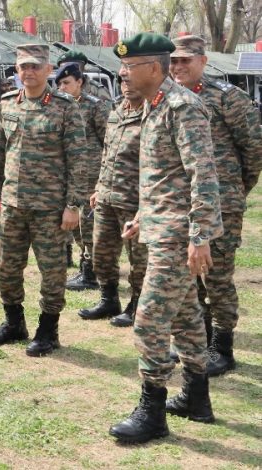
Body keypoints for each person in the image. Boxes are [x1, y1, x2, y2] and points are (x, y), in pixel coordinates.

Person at [109, 32, 223, 444]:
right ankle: (197, 397)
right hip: (161, 226)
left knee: (150, 320)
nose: (123, 73)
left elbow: (203, 175)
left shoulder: (182, 107)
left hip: (179, 236)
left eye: (129, 66)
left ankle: (152, 411)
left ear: (152, 68)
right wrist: (143, 214)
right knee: (186, 317)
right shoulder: (152, 105)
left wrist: (199, 236)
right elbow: (161, 173)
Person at [0, 44, 87, 357]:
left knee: (52, 271)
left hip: (50, 208)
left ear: (49, 69)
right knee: (6, 268)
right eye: (23, 66)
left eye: (35, 66)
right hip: (13, 205)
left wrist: (73, 205)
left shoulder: (65, 106)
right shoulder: (7, 104)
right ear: (17, 69)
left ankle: (47, 329)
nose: (29, 72)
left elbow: (78, 159)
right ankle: (14, 323)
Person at [170, 35, 262, 376]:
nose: (178, 66)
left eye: (185, 60)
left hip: (221, 204)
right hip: (180, 203)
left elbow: (253, 149)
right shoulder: (167, 97)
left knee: (217, 277)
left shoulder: (227, 98)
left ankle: (222, 347)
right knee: (187, 277)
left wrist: (236, 189)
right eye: (174, 61)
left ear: (203, 61)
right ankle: (198, 341)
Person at [79, 80, 148, 327]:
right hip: (107, 196)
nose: (127, 85)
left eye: (132, 80)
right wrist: (99, 186)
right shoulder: (117, 110)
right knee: (101, 253)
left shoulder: (154, 111)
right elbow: (107, 153)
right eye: (122, 81)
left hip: (135, 199)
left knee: (139, 258)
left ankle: (137, 304)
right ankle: (109, 299)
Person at [55, 63, 112, 292]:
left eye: (66, 83)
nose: (62, 87)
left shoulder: (94, 107)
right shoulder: (60, 107)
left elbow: (109, 141)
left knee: (89, 225)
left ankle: (92, 273)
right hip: (69, 176)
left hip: (91, 175)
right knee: (74, 225)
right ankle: (85, 267)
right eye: (59, 84)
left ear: (80, 82)